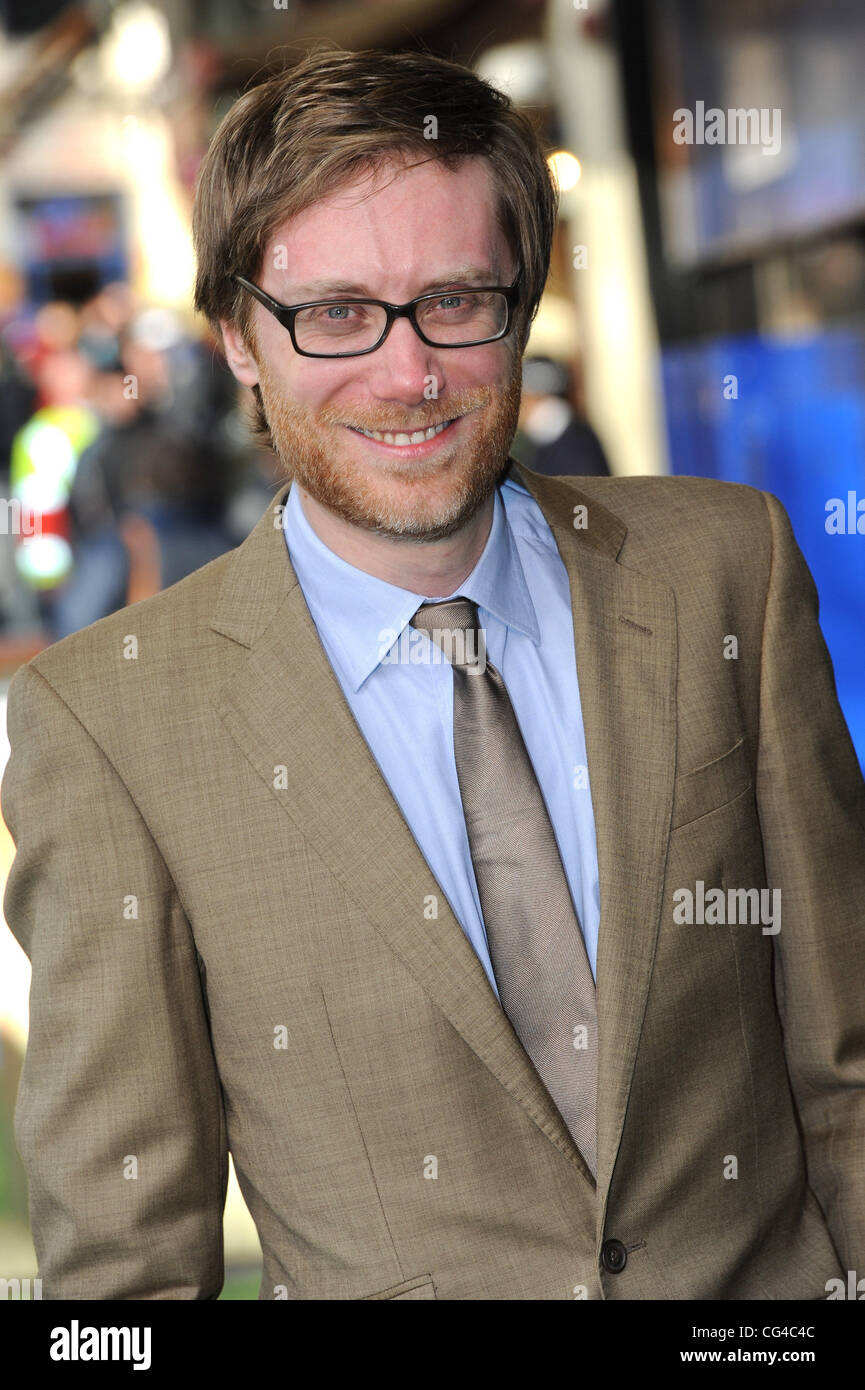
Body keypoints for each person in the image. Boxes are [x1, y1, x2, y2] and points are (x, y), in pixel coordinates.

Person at [3, 46, 864, 1303]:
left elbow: (846, 1058)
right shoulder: (112, 724)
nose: (410, 376)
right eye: (336, 312)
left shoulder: (727, 570)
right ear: (239, 336)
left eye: (457, 299)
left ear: (521, 294)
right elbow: (124, 1268)